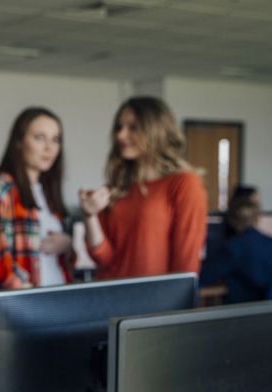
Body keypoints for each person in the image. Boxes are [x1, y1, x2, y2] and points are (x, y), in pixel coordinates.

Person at [79, 96, 208, 279]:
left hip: (154, 303)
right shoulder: (118, 187)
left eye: (133, 127)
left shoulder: (184, 183)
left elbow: (185, 266)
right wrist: (89, 215)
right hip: (110, 299)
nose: (121, 135)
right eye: (119, 127)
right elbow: (104, 257)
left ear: (156, 131)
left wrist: (176, 306)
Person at [0, 107, 72, 289]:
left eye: (55, 140)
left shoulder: (47, 191)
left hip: (58, 298)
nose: (49, 148)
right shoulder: (2, 189)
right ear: (19, 141)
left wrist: (69, 244)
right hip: (27, 305)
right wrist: (25, 299)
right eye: (39, 138)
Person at [201, 199, 272, 303]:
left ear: (232, 220)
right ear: (257, 219)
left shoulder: (233, 247)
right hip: (269, 312)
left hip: (243, 312)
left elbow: (206, 277)